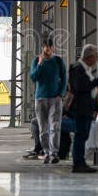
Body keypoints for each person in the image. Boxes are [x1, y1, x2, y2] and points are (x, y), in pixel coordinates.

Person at [29, 35, 67, 164]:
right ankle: (45, 152)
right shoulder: (36, 61)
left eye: (49, 48)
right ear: (42, 48)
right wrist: (39, 64)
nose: (47, 50)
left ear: (53, 47)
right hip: (40, 99)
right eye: (45, 48)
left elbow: (64, 78)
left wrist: (61, 94)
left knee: (55, 127)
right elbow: (33, 77)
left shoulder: (58, 61)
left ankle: (54, 153)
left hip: (55, 99)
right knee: (43, 128)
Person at [68, 44, 98, 173]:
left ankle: (80, 161)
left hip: (86, 107)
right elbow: (80, 86)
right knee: (80, 134)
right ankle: (78, 163)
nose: (97, 59)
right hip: (81, 107)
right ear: (90, 57)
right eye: (96, 56)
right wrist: (97, 81)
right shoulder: (78, 69)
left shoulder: (85, 69)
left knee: (83, 134)